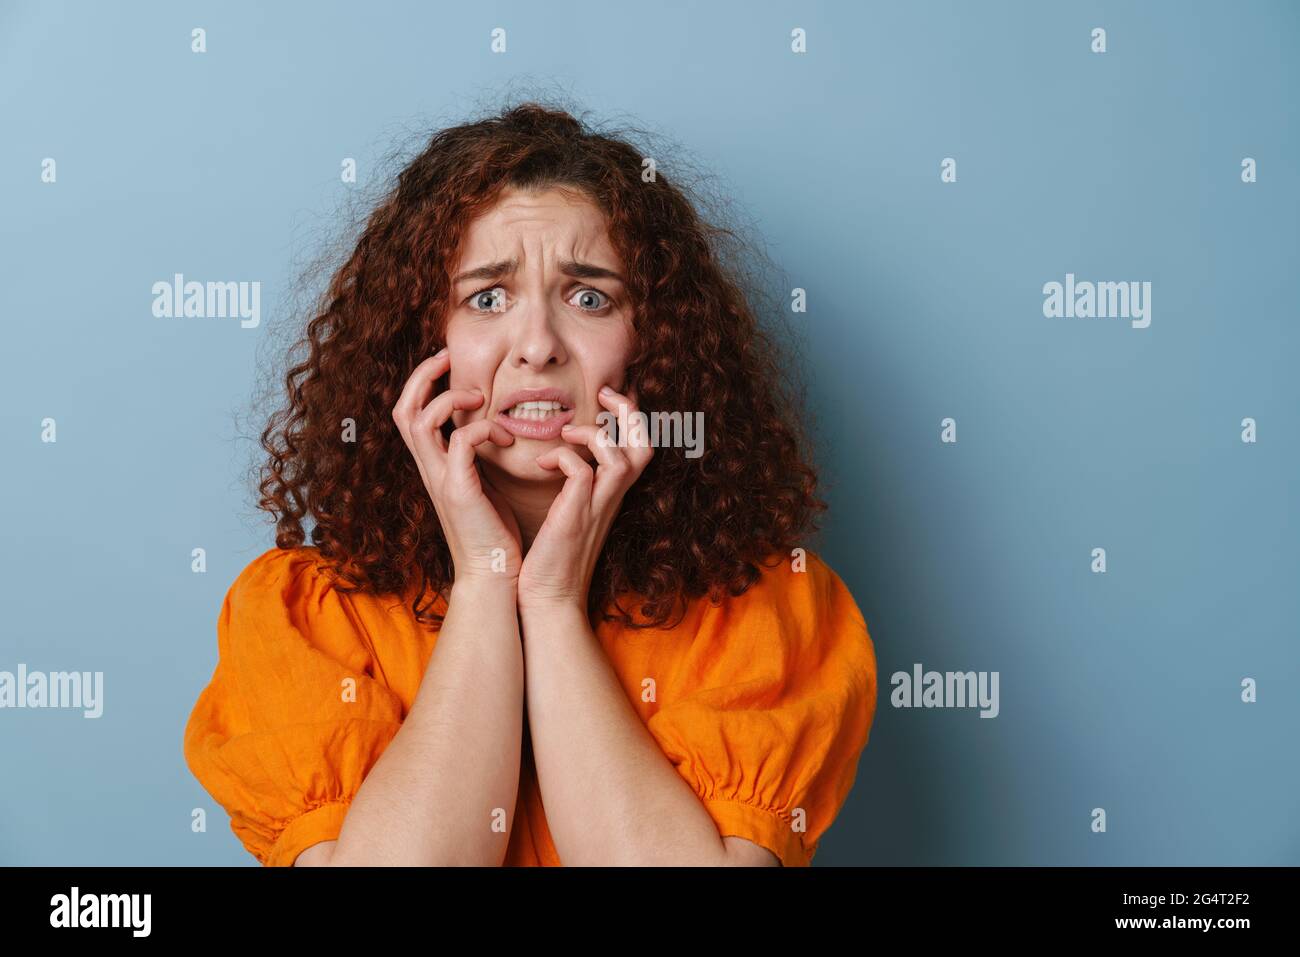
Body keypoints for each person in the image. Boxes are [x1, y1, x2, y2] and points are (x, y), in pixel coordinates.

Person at [183, 101, 878, 866]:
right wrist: (488, 584)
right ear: (424, 339)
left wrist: (550, 605)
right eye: (487, 297)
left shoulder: (768, 613)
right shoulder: (303, 617)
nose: (539, 345)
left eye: (590, 297)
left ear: (655, 342)